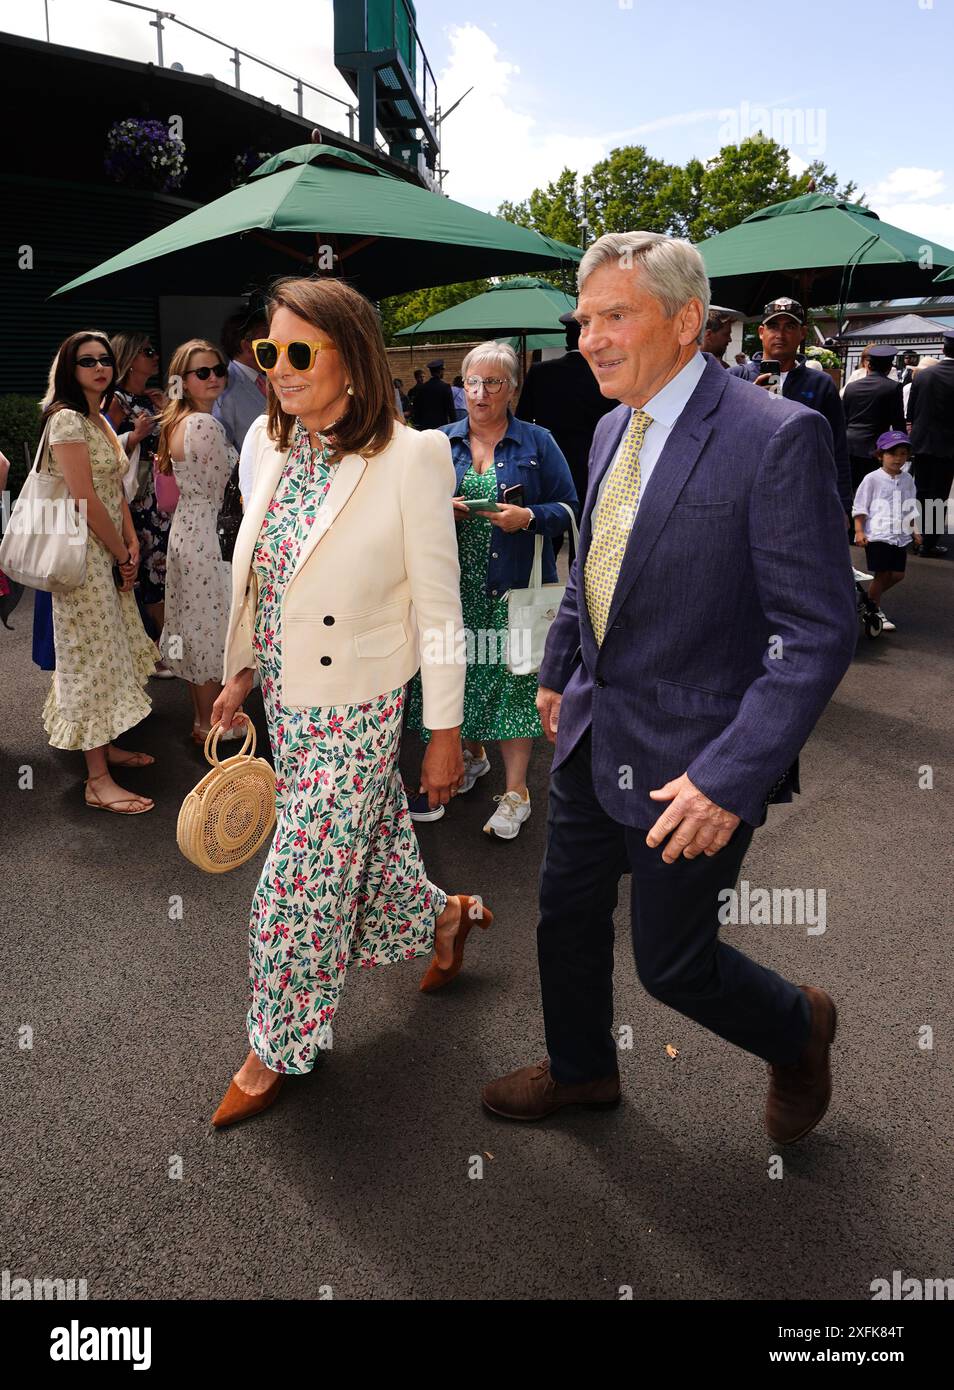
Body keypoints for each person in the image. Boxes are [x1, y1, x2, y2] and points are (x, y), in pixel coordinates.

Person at [481, 232, 857, 1141]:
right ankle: (582, 1075)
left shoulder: (778, 436)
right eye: (584, 320)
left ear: (687, 321)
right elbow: (591, 568)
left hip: (696, 766)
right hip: (589, 734)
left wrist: (730, 778)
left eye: (616, 316)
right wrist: (558, 671)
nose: (591, 340)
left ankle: (799, 1028)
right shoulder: (613, 424)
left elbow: (816, 633)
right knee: (565, 917)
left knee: (672, 965)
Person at [209, 276, 490, 1129]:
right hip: (292, 699)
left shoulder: (414, 456)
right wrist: (243, 674)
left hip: (361, 708)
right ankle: (444, 915)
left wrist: (444, 733)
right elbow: (270, 576)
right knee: (359, 845)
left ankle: (275, 1045)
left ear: (355, 362)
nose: (278, 369)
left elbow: (441, 606)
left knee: (298, 884)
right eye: (268, 351)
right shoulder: (273, 442)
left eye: (300, 352)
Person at [406, 341, 578, 840]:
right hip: (451, 588)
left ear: (511, 390)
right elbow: (410, 510)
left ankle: (517, 791)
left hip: (515, 590)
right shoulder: (437, 442)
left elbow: (570, 506)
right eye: (473, 383)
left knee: (515, 684)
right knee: (459, 675)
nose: (481, 393)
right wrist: (444, 507)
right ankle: (471, 757)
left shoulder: (537, 442)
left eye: (493, 383)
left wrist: (528, 517)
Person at [38, 332, 159, 813]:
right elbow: (84, 497)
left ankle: (105, 746)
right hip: (82, 561)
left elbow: (114, 487)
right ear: (69, 369)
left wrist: (129, 542)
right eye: (86, 361)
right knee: (91, 660)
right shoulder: (67, 418)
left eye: (104, 360)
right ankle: (96, 779)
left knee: (112, 653)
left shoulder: (99, 419)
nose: (99, 367)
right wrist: (119, 551)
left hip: (108, 551)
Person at [157, 340, 238, 742]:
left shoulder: (180, 420)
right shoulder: (203, 424)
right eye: (201, 372)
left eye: (218, 369)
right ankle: (212, 725)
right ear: (183, 381)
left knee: (195, 623)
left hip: (189, 529)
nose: (213, 378)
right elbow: (221, 486)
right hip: (209, 532)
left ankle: (202, 720)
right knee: (209, 625)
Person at [731, 298, 852, 518]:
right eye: (773, 326)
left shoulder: (820, 384)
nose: (780, 334)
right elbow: (721, 437)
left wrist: (843, 504)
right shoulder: (735, 378)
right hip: (745, 491)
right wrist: (749, 398)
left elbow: (837, 447)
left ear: (802, 333)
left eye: (790, 326)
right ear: (761, 332)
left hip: (801, 496)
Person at [107, 332, 172, 673]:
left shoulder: (149, 398)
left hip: (160, 494)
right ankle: (162, 650)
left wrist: (165, 411)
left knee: (164, 570)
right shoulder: (117, 400)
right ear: (131, 358)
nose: (155, 355)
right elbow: (105, 451)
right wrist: (134, 436)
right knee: (152, 571)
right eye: (147, 351)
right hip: (139, 499)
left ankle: (165, 646)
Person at [516, 311, 617, 520]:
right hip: (595, 462)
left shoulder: (540, 372)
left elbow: (522, 420)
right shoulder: (605, 373)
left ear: (566, 338)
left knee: (547, 527)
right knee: (586, 527)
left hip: (548, 462)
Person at [851, 431, 920, 632]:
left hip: (899, 536)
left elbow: (910, 506)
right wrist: (859, 531)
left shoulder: (907, 479)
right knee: (882, 574)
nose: (898, 459)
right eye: (892, 454)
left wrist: (915, 530)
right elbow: (860, 506)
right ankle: (875, 609)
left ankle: (867, 599)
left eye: (903, 454)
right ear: (880, 455)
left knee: (898, 574)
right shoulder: (872, 479)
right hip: (878, 534)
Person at [906, 330, 954, 556]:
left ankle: (911, 536)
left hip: (922, 441)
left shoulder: (923, 375)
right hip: (948, 446)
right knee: (938, 496)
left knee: (919, 491)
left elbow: (911, 412)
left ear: (943, 349)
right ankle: (928, 543)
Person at [213, 309, 269, 498]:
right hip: (246, 487)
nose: (272, 345)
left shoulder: (269, 379)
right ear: (247, 345)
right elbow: (222, 444)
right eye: (266, 340)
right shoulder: (224, 385)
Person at [842, 344, 906, 495]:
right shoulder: (893, 387)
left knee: (852, 490)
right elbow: (897, 421)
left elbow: (843, 419)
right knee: (873, 493)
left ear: (868, 365)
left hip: (849, 445)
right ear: (889, 368)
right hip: (874, 447)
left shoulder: (851, 387)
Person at [412, 358, 457, 429]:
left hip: (425, 425)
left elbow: (417, 406)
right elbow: (450, 409)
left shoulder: (423, 387)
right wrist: (454, 425)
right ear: (440, 371)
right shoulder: (445, 387)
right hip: (441, 425)